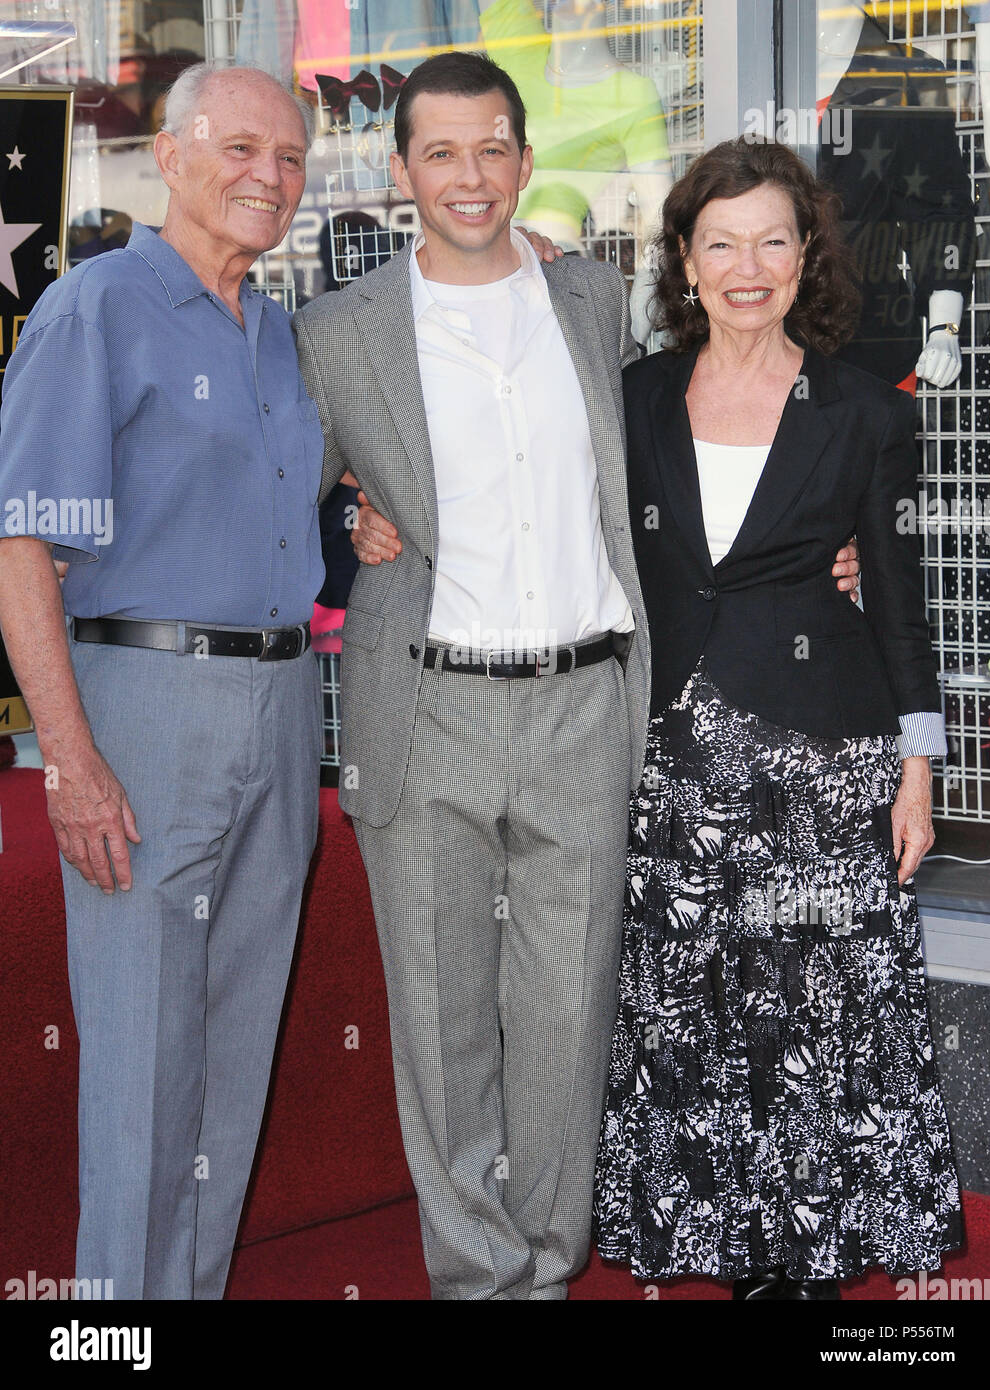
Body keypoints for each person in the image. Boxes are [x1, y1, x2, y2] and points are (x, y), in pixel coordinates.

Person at [317, 53, 863, 1300]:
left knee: (569, 1019)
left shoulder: (590, 304)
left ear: (522, 160)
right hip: (431, 705)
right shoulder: (336, 332)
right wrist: (355, 525)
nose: (471, 174)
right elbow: (279, 500)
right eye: (441, 152)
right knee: (445, 1027)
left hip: (585, 705)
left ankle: (548, 1271)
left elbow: (687, 465)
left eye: (494, 146)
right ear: (402, 171)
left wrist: (809, 551)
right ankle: (476, 1279)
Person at [592, 137, 962, 1299]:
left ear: (807, 257)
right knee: (695, 1000)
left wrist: (921, 763)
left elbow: (902, 598)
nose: (747, 268)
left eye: (772, 241)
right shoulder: (633, 397)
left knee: (817, 1002)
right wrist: (374, 528)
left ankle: (813, 1251)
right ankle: (721, 1237)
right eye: (720, 243)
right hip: (673, 760)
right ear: (684, 262)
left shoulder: (860, 410)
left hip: (821, 756)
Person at [0, 64, 325, 1300]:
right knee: (142, 1066)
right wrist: (67, 757)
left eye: (291, 158)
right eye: (241, 147)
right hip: (140, 709)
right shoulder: (97, 308)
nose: (270, 177)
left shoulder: (277, 328)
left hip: (286, 712)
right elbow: (22, 540)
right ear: (172, 157)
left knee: (234, 1057)